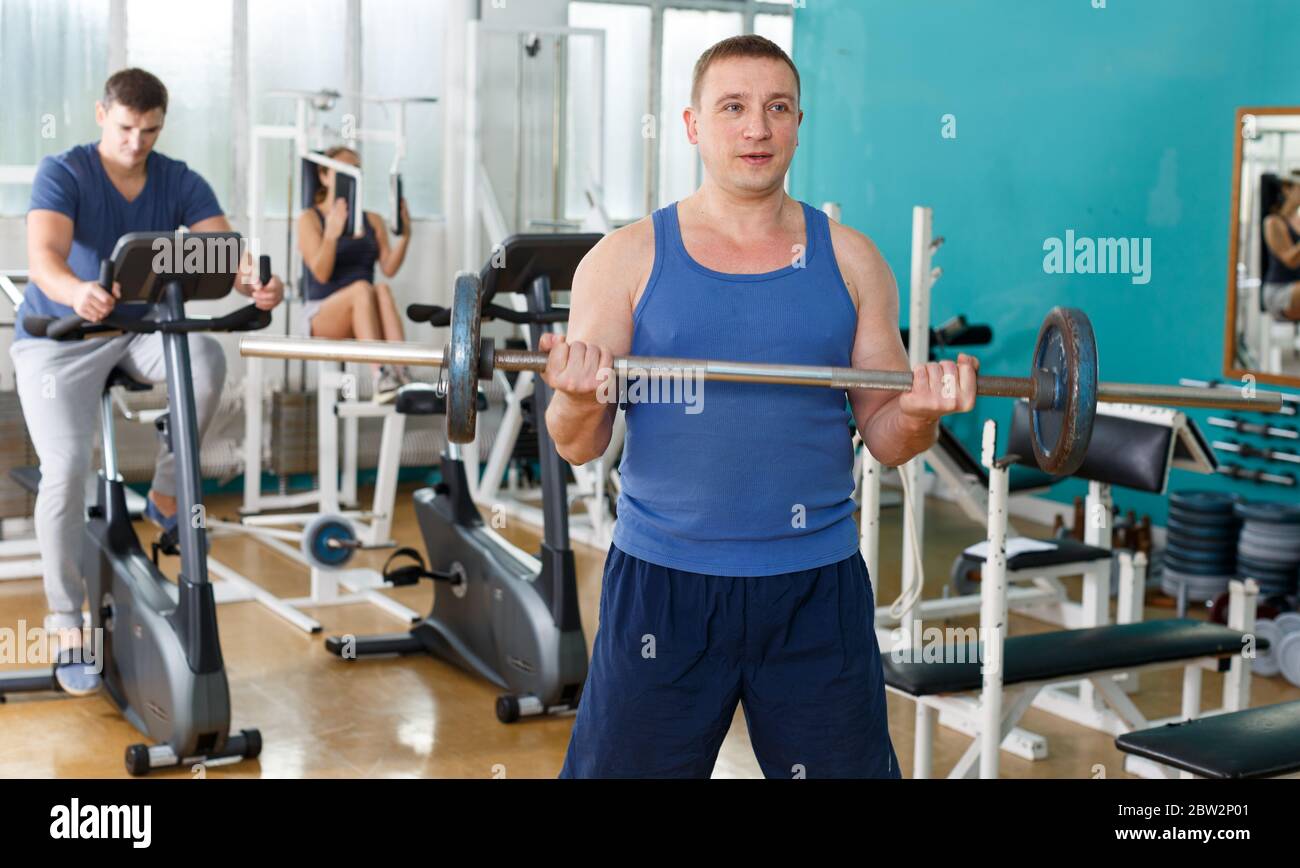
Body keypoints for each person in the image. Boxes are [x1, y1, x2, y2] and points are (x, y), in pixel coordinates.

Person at [543, 36, 980, 779]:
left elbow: (886, 434)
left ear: (799, 123)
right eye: (734, 108)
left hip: (817, 586)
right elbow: (576, 443)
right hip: (663, 589)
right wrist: (580, 395)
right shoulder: (625, 257)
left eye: (777, 108)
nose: (757, 129)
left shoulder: (851, 258)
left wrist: (922, 410)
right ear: (691, 124)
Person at [17, 68, 284, 695]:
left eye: (150, 130)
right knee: (64, 470)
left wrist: (254, 283)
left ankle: (166, 495)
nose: (137, 142)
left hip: (138, 333)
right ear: (101, 114)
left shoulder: (178, 179)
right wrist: (75, 290)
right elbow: (44, 259)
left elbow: (222, 252)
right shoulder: (66, 171)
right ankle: (65, 623)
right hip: (60, 341)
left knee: (210, 362)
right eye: (126, 128)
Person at [297, 145, 412, 402]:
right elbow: (321, 274)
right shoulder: (310, 219)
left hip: (364, 312)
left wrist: (406, 235)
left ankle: (402, 372)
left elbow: (389, 268)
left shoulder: (372, 219)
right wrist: (331, 235)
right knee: (362, 288)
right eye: (344, 171)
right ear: (325, 176)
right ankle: (380, 375)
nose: (352, 176)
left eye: (356, 171)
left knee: (381, 288)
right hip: (321, 314)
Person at [1261, 172, 1300, 322]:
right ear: (1286, 189)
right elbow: (1291, 260)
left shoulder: (1298, 221)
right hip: (1279, 292)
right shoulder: (1273, 222)